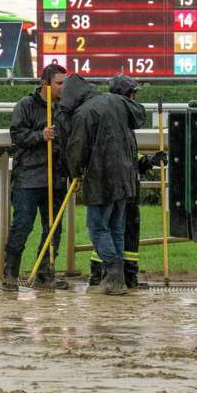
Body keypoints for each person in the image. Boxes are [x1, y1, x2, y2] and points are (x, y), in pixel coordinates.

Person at [63, 73, 147, 296]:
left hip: (102, 179)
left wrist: (74, 173)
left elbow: (76, 148)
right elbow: (138, 117)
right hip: (125, 177)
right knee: (116, 228)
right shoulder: (117, 101)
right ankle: (117, 280)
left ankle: (112, 276)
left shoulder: (83, 113)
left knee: (98, 227)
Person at [87, 75, 168, 290]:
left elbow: (131, 160)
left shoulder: (126, 124)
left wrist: (150, 160)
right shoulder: (110, 122)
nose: (135, 98)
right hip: (115, 188)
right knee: (107, 229)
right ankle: (100, 274)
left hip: (129, 188)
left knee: (128, 235)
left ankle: (128, 277)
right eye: (133, 94)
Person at [2, 64, 69, 291]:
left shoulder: (65, 108)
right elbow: (17, 135)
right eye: (59, 83)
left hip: (56, 177)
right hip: (28, 178)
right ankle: (10, 274)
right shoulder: (25, 105)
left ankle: (45, 273)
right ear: (45, 84)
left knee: (53, 229)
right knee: (22, 225)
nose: (63, 87)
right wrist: (41, 135)